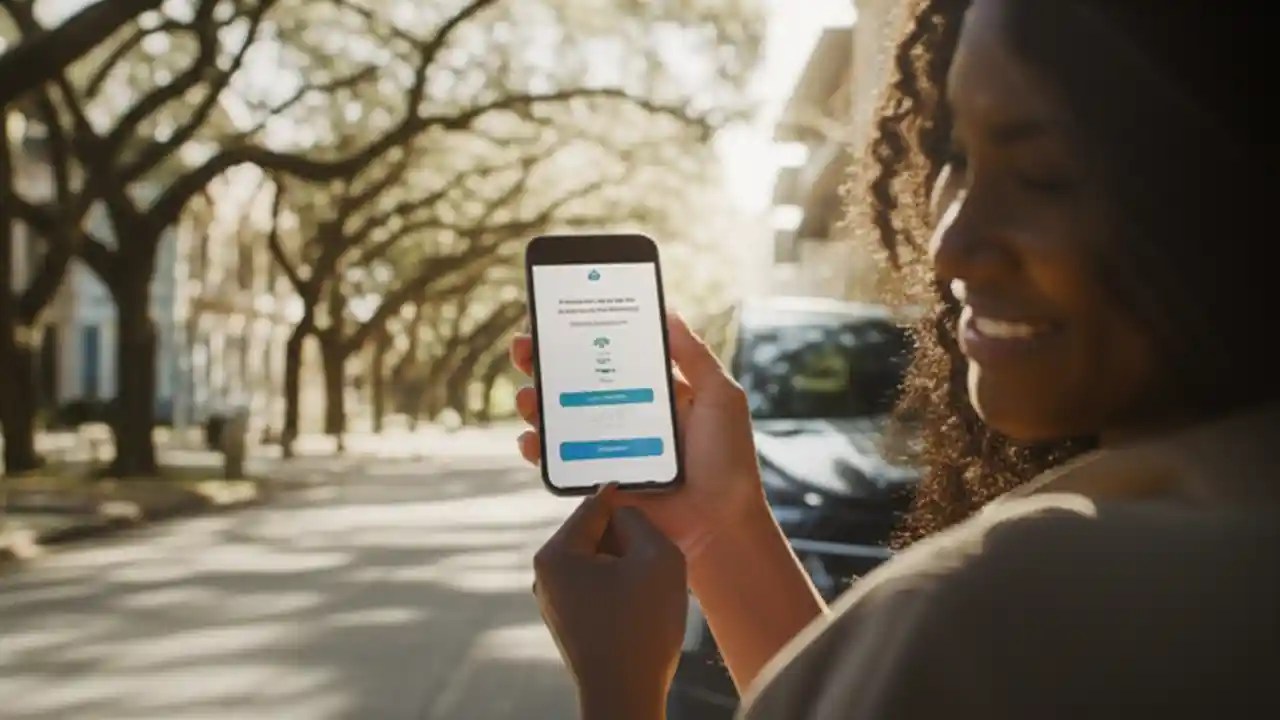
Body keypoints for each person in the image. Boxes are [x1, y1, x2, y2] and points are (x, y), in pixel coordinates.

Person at [509, 1, 1280, 717]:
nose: (949, 247)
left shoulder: (1007, 607)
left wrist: (619, 686)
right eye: (955, 155)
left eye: (1043, 176)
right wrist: (723, 529)